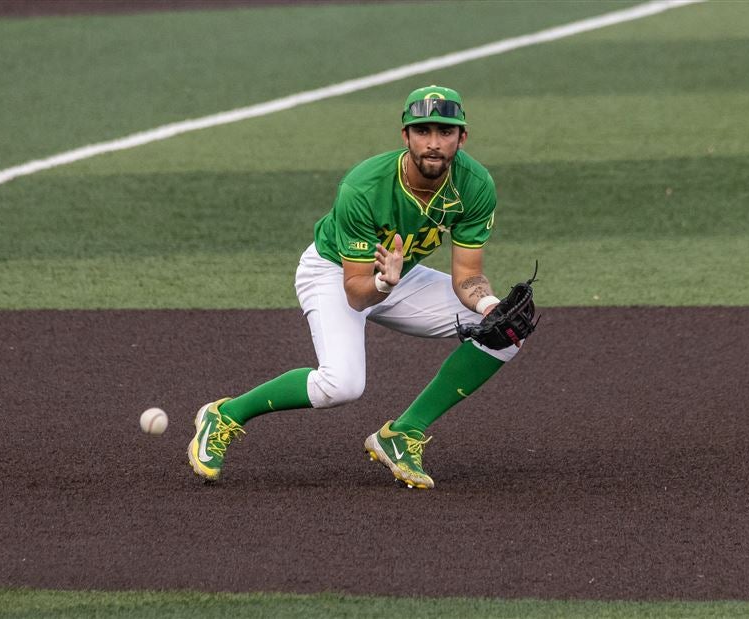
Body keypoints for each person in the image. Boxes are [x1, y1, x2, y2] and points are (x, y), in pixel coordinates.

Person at [188, 85, 524, 489]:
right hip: (336, 274)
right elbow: (357, 292)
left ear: (462, 137)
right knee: (341, 385)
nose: (434, 143)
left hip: (399, 276)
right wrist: (384, 280)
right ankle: (224, 414)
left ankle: (402, 434)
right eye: (423, 131)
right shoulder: (364, 186)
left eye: (445, 132)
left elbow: (467, 275)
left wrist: (487, 302)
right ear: (405, 136)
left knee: (504, 332)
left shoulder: (474, 185)